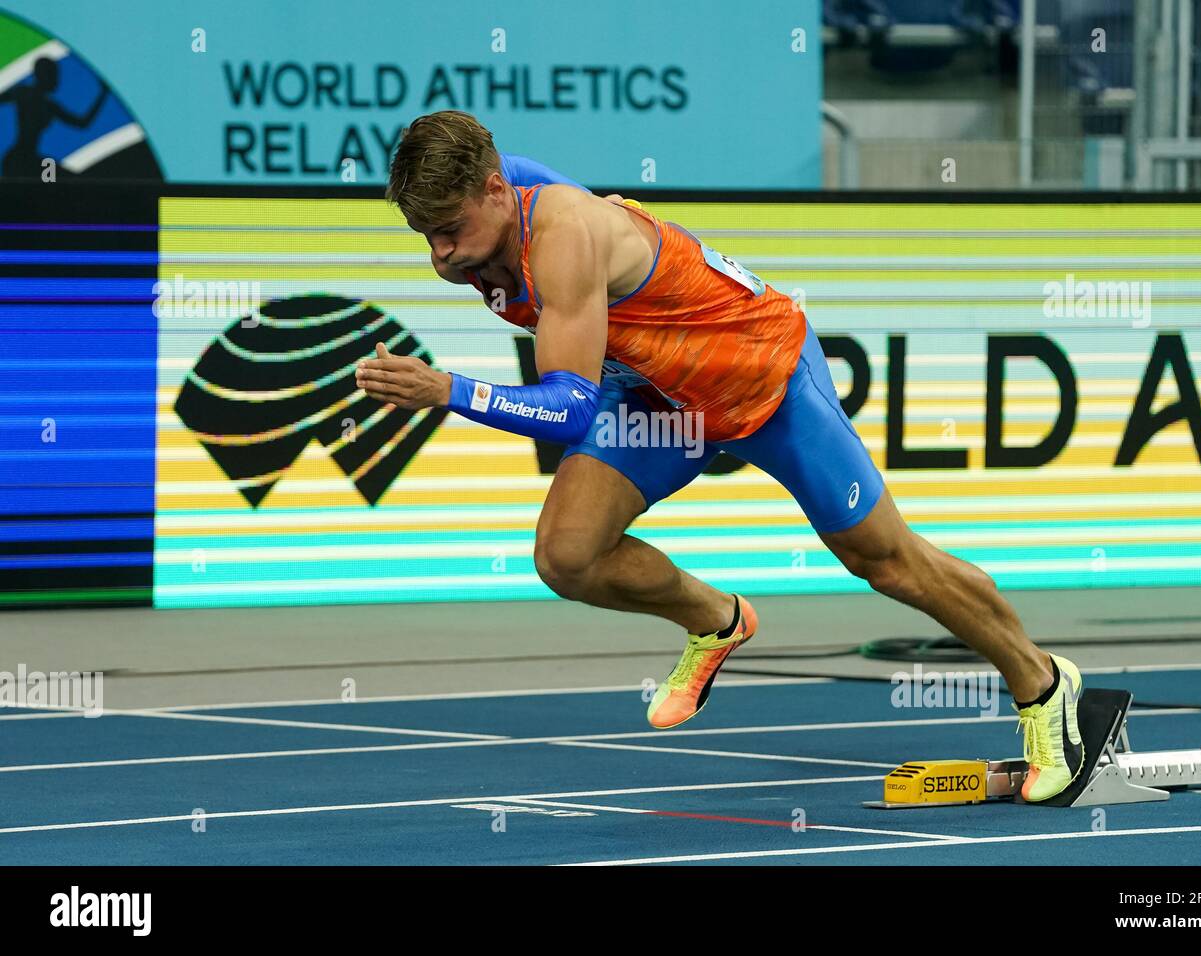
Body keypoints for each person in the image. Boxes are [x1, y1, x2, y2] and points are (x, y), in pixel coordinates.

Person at [359, 110, 1084, 802]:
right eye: (424, 236)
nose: (440, 255)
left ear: (494, 190)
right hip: (660, 399)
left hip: (763, 380)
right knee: (567, 555)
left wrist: (448, 389)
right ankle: (717, 618)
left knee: (884, 560)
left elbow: (569, 409)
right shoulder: (500, 196)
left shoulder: (562, 238)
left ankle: (1044, 685)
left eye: (449, 232)